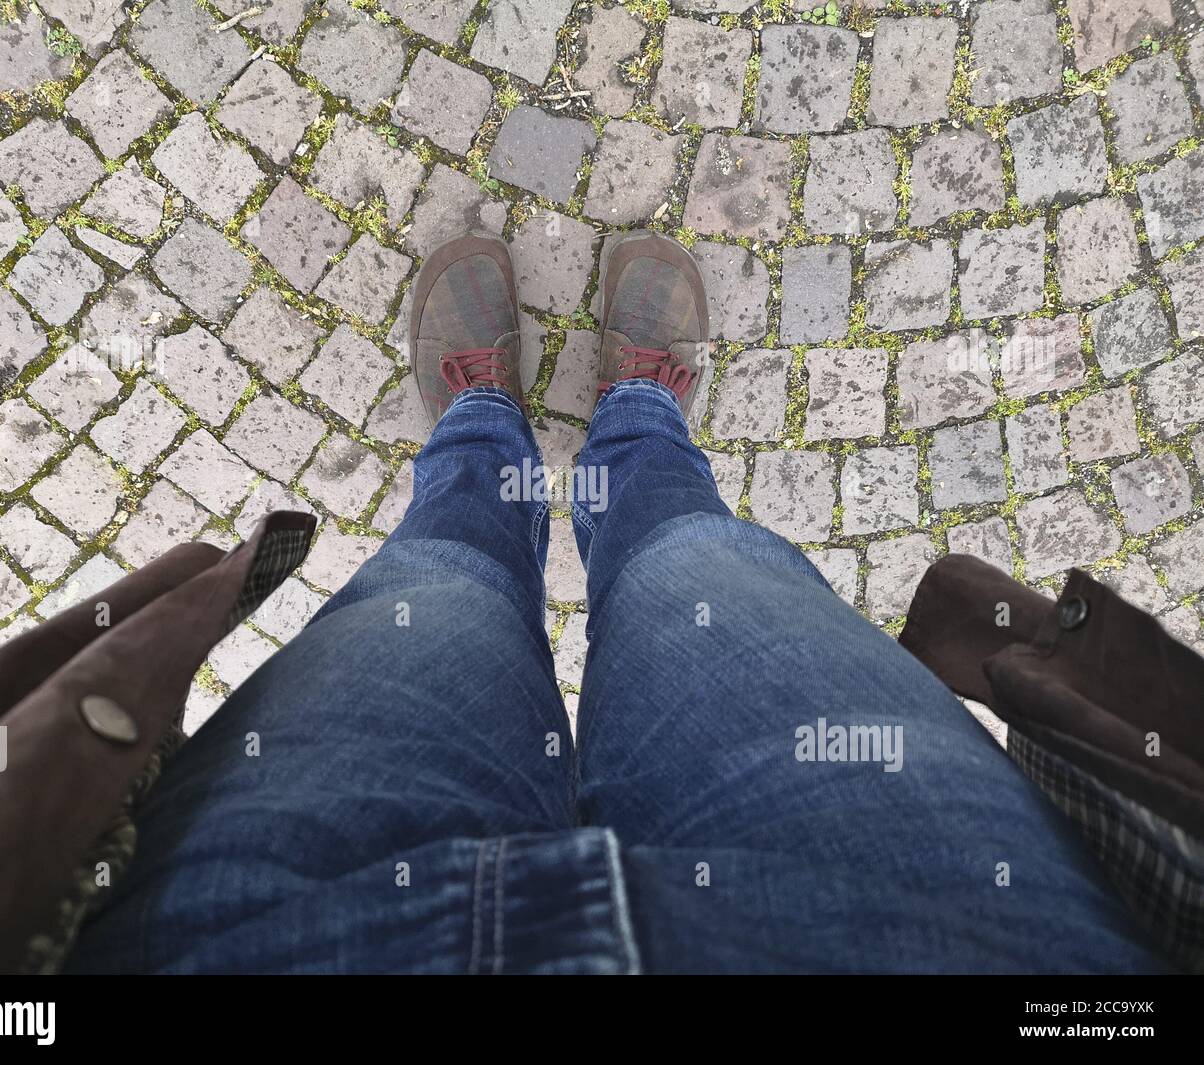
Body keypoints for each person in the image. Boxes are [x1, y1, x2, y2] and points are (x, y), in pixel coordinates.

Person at [61, 231, 1163, 973]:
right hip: (973, 935)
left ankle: (481, 423)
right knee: (698, 564)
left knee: (439, 583)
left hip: (241, 934)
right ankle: (636, 414)